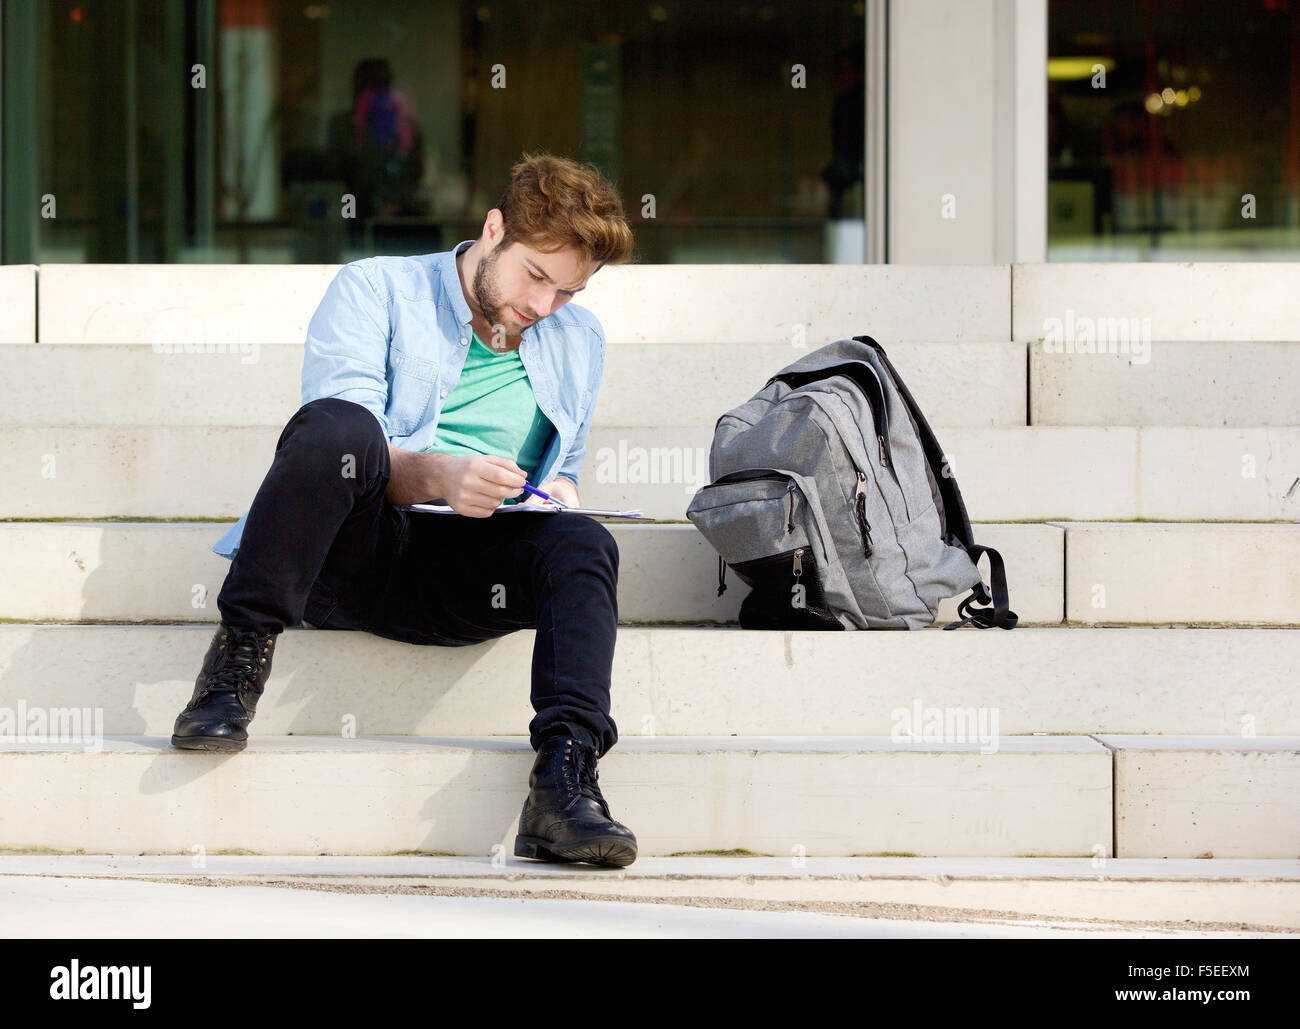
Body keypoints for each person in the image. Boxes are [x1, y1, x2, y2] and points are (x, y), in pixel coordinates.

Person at [171, 152, 640, 868]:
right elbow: (342, 456)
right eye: (536, 276)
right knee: (338, 427)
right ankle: (237, 661)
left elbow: (562, 468)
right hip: (352, 554)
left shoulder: (580, 339)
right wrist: (440, 475)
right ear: (493, 229)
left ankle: (564, 782)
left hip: (464, 576)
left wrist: (557, 497)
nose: (543, 308)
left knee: (584, 542)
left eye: (568, 292)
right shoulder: (376, 289)